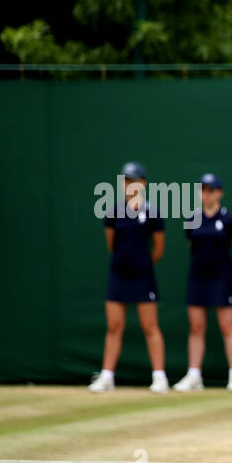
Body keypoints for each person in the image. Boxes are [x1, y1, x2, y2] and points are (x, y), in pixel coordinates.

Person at [89, 161, 168, 393]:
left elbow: (159, 249)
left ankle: (159, 377)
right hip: (118, 275)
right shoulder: (113, 211)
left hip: (143, 276)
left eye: (134, 181)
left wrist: (142, 264)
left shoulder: (153, 212)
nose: (130, 185)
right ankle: (107, 376)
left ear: (143, 184)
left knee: (150, 325)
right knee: (114, 326)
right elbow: (112, 244)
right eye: (126, 181)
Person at [173, 174, 232, 392]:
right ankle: (194, 375)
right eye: (203, 190)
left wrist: (229, 272)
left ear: (220, 193)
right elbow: (191, 245)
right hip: (198, 278)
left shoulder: (230, 220)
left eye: (211, 190)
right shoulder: (192, 218)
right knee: (196, 327)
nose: (206, 194)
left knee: (227, 326)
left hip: (222, 279)